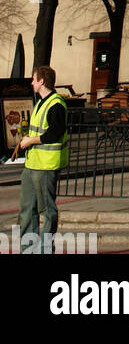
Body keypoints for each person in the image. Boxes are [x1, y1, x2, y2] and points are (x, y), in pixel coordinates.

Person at [17, 65, 69, 252]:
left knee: (46, 210)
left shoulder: (56, 103)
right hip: (32, 164)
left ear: (42, 81)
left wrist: (31, 140)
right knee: (27, 210)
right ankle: (28, 248)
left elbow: (55, 132)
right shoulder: (40, 102)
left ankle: (46, 248)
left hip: (46, 166)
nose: (31, 83)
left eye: (33, 79)